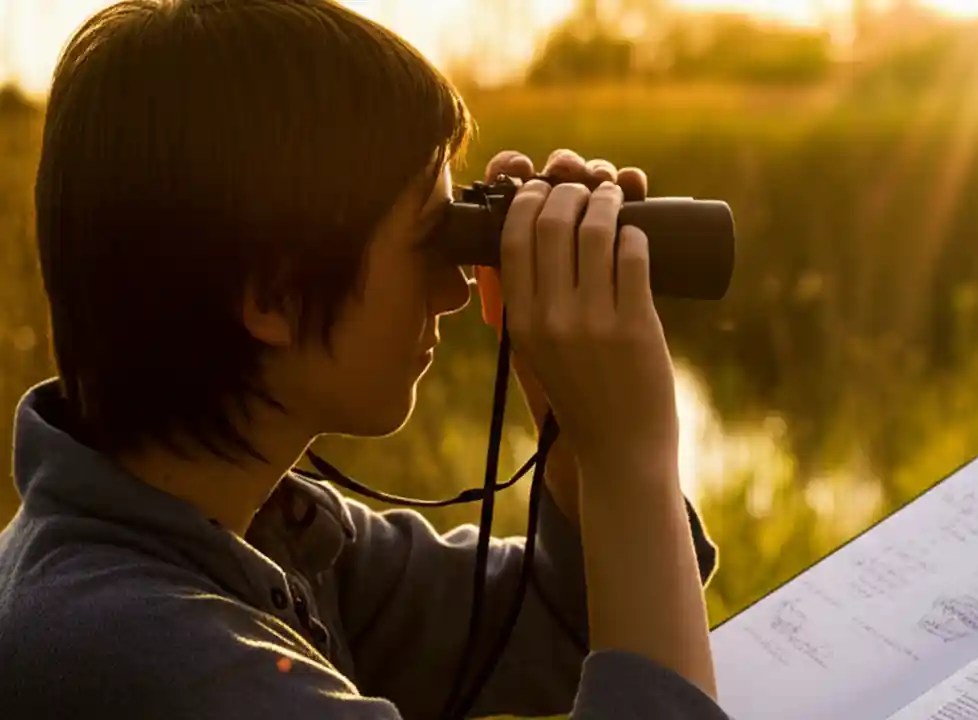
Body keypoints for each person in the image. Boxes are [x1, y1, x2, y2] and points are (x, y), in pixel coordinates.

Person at [0, 1, 729, 718]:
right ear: (275, 294)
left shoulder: (252, 529)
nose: (453, 291)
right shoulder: (134, 656)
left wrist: (572, 416)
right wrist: (628, 458)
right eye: (432, 242)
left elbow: (559, 625)